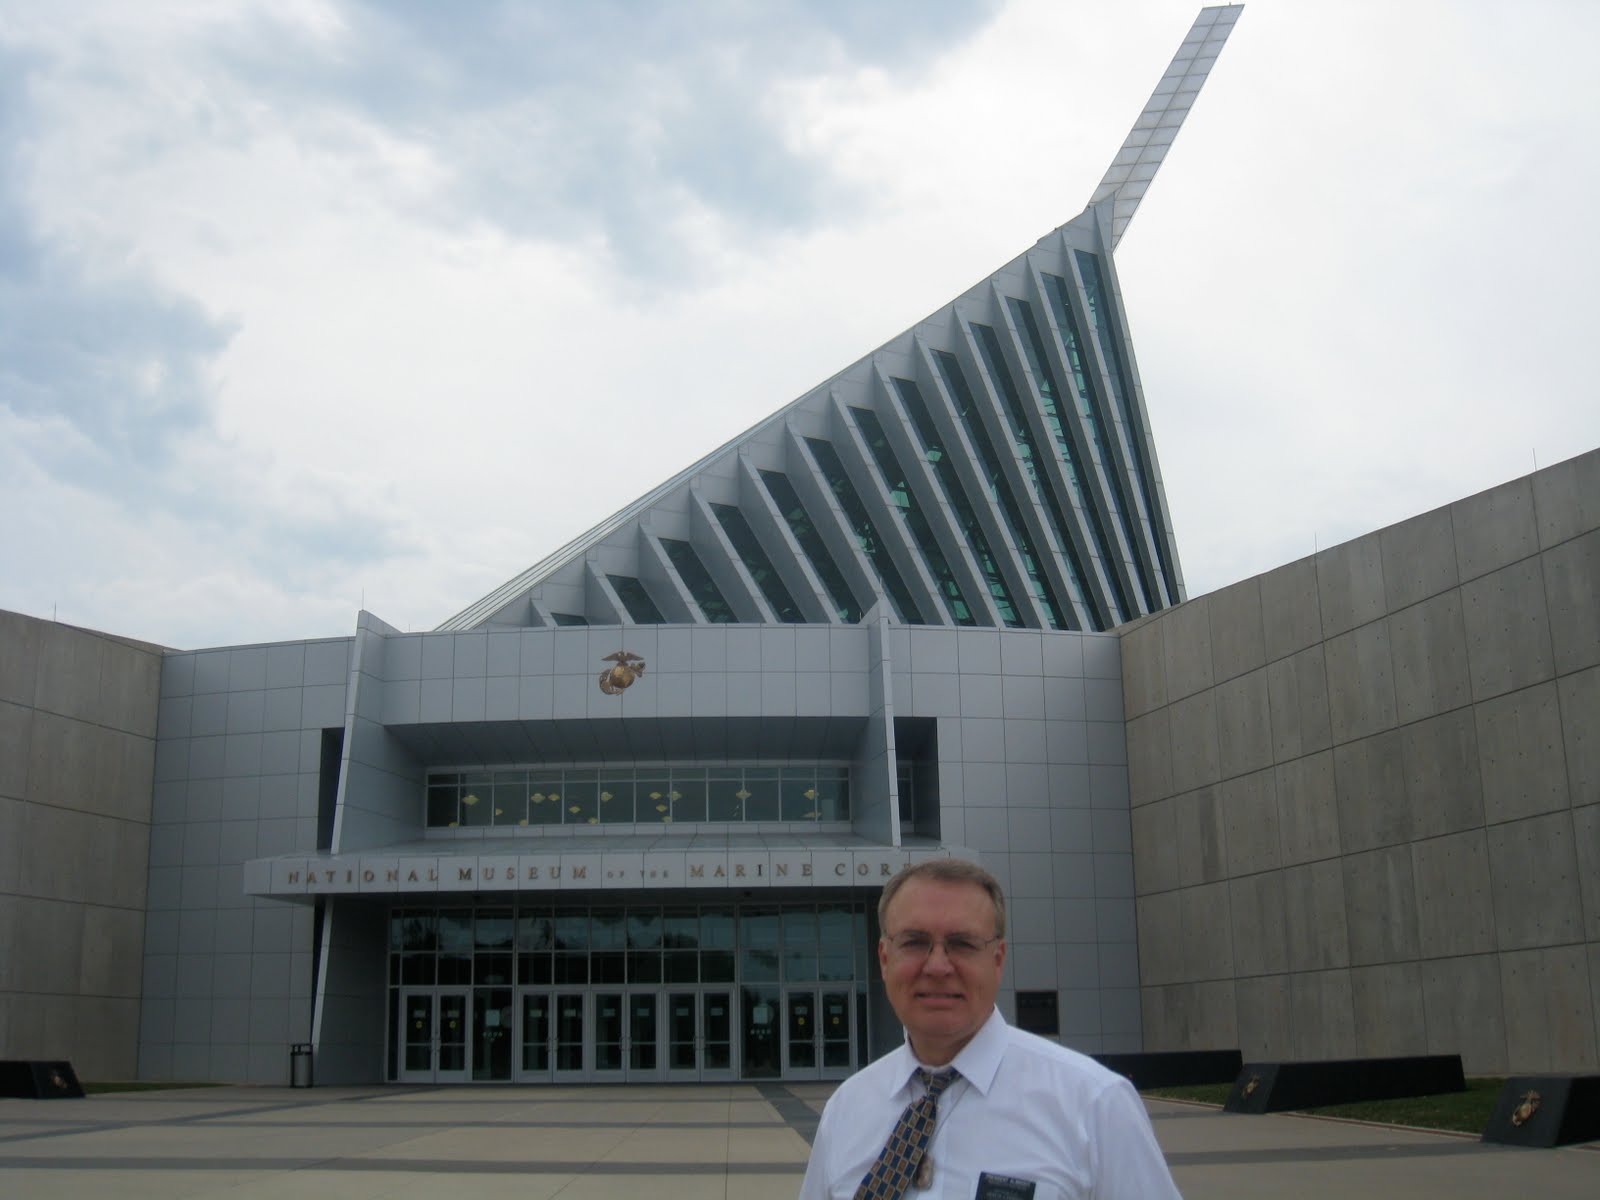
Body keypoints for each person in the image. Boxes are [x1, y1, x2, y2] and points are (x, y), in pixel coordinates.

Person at [799, 858, 1181, 1199]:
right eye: (914, 942)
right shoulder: (846, 1110)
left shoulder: (1095, 1105)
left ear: (997, 959)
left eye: (962, 944)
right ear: (884, 959)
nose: (937, 966)